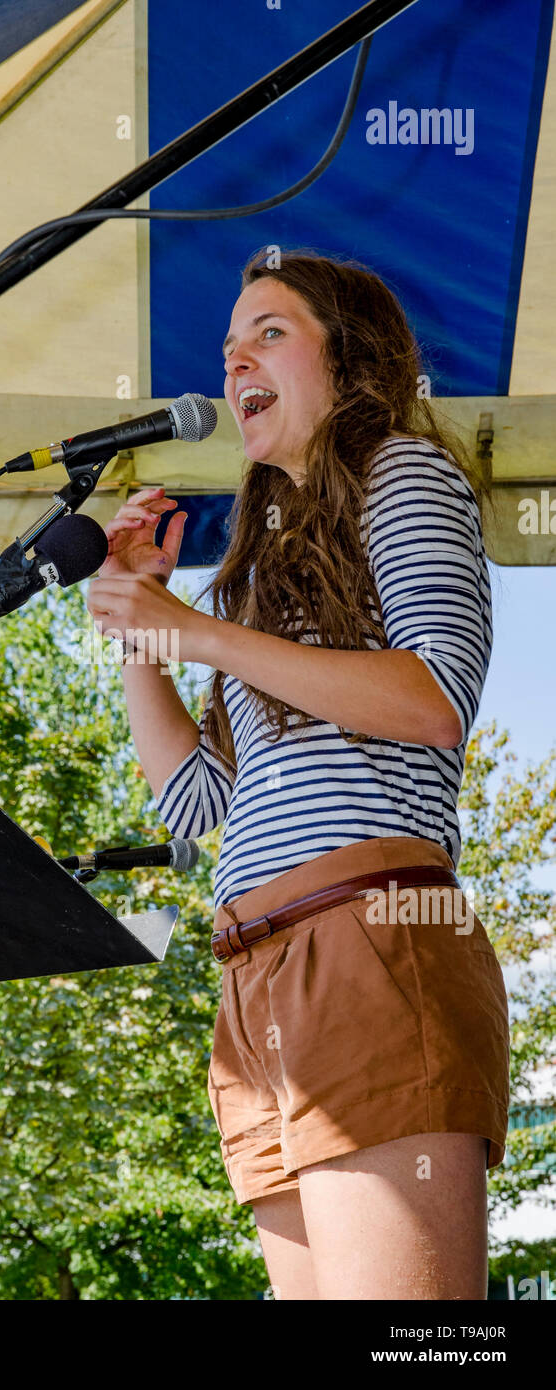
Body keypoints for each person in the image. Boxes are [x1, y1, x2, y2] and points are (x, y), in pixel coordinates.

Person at [86, 247, 510, 1301]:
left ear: (352, 359)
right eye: (229, 351)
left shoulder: (403, 473)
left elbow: (431, 698)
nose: (235, 367)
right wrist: (147, 632)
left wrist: (196, 634)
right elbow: (200, 803)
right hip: (254, 971)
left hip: (365, 941)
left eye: (268, 334)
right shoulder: (263, 568)